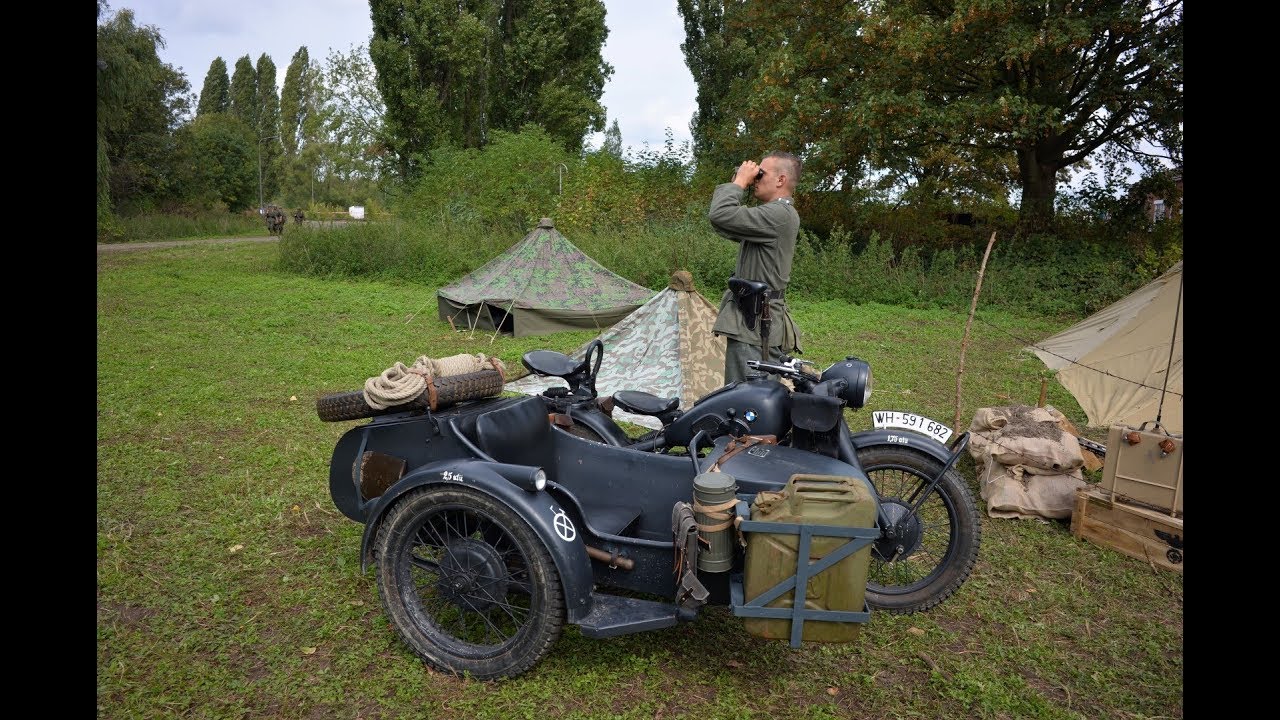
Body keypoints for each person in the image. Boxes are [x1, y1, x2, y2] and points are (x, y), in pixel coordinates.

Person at [708, 151, 804, 384]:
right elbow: (724, 224)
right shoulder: (774, 215)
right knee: (750, 396)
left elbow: (721, 215)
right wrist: (737, 182)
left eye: (761, 174)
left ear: (780, 180)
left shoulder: (779, 214)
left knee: (748, 399)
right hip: (754, 319)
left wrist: (740, 181)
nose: (755, 179)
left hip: (756, 323)